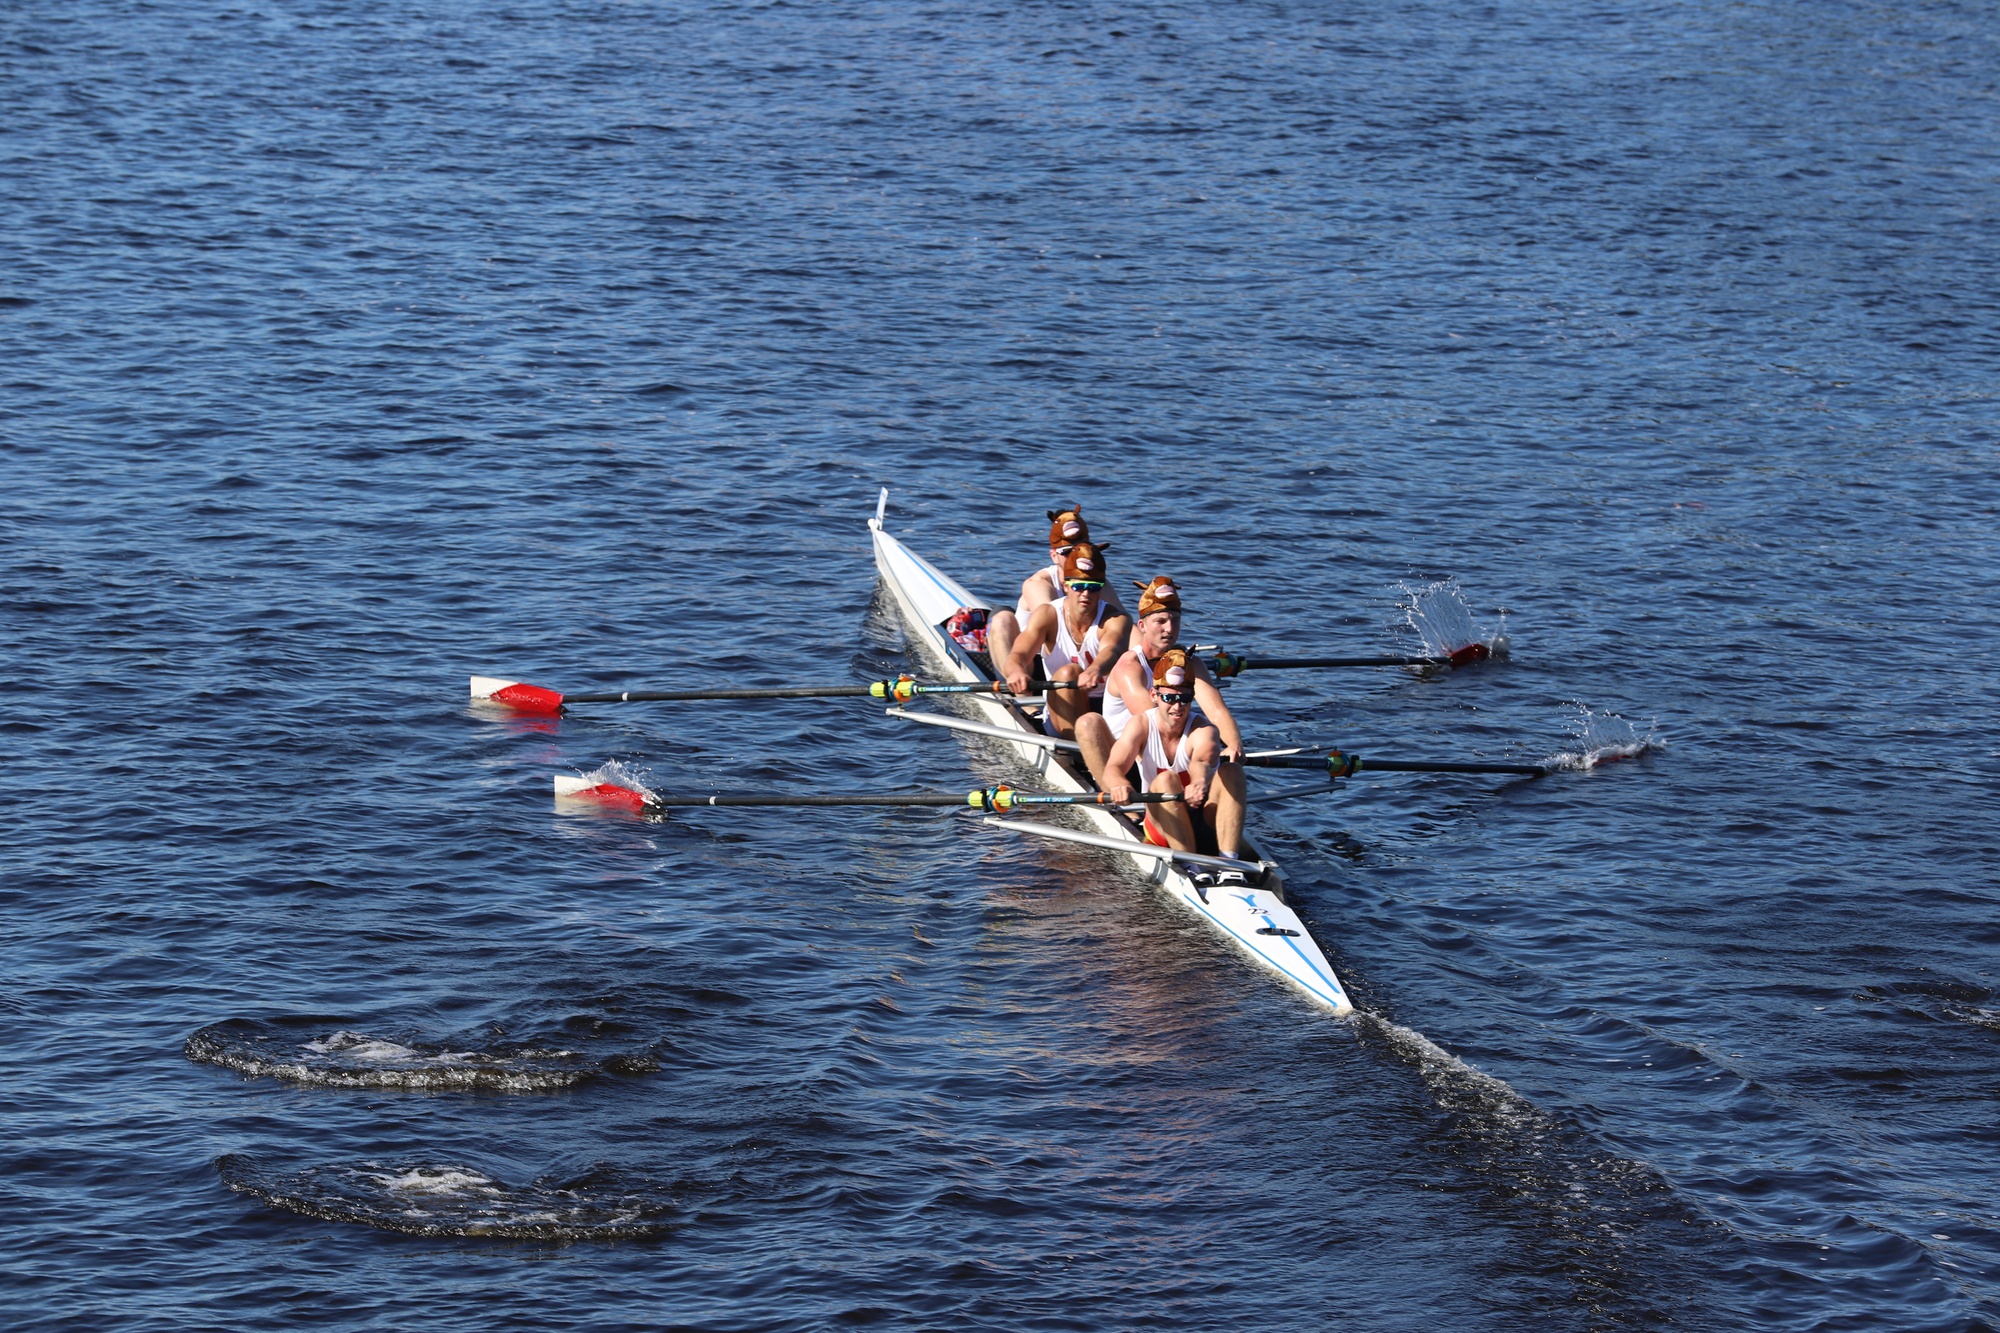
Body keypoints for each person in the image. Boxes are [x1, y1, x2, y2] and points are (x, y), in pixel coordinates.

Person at [1101, 647, 1249, 882]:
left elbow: (1202, 759)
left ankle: (1229, 863)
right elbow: (1113, 768)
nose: (1177, 707)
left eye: (1185, 698)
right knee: (1167, 779)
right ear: (1154, 695)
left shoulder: (1204, 729)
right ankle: (1191, 864)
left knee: (1232, 771)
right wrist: (1119, 784)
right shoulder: (1140, 725)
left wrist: (1199, 781)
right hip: (1163, 827)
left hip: (1200, 820)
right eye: (1169, 698)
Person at [1001, 540, 1130, 781]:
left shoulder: (1116, 618)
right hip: (1062, 710)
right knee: (1069, 673)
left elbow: (1112, 649)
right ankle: (1086, 763)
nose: (1086, 594)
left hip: (1108, 710)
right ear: (1065, 584)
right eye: (1079, 586)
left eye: (1094, 587)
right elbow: (1018, 653)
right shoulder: (1048, 614)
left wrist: (1095, 669)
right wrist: (1016, 672)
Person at [1101, 576, 1246, 766]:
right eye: (1160, 621)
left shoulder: (1190, 662)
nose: (1169, 629)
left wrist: (1234, 745)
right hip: (1128, 757)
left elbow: (1216, 710)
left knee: (1229, 768)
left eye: (1175, 620)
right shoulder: (1129, 666)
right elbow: (1154, 721)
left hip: (1169, 747)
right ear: (1142, 626)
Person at [986, 504, 1127, 672]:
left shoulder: (1096, 584)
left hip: (1076, 663)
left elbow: (1125, 627)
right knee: (1002, 619)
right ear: (1053, 556)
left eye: (1080, 550)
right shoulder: (1038, 583)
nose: (1074, 557)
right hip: (1031, 660)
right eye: (1068, 552)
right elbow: (1056, 627)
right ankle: (1018, 692)